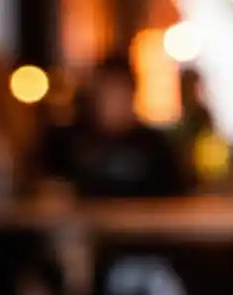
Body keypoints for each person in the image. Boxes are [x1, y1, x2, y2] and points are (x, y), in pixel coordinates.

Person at [65, 56, 187, 197]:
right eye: (108, 94)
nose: (114, 103)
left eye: (120, 93)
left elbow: (176, 198)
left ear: (133, 94)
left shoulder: (154, 145)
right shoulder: (74, 143)